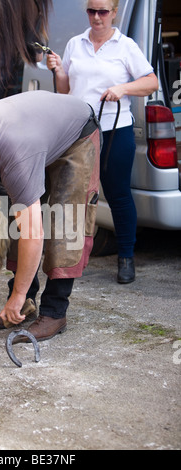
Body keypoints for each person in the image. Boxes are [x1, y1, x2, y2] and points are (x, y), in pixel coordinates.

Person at [0, 90, 101, 342]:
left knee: (65, 222)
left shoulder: (17, 158)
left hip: (76, 135)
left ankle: (54, 312)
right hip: (36, 134)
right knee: (13, 217)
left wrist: (15, 296)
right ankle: (24, 303)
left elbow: (34, 234)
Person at [46, 0, 159, 283]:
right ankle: (70, 258)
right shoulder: (75, 43)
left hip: (115, 129)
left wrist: (123, 88)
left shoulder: (126, 46)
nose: (97, 17)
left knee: (118, 193)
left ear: (114, 13)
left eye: (103, 12)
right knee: (75, 195)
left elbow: (151, 82)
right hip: (80, 130)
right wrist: (59, 69)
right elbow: (67, 89)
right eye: (91, 11)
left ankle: (126, 257)